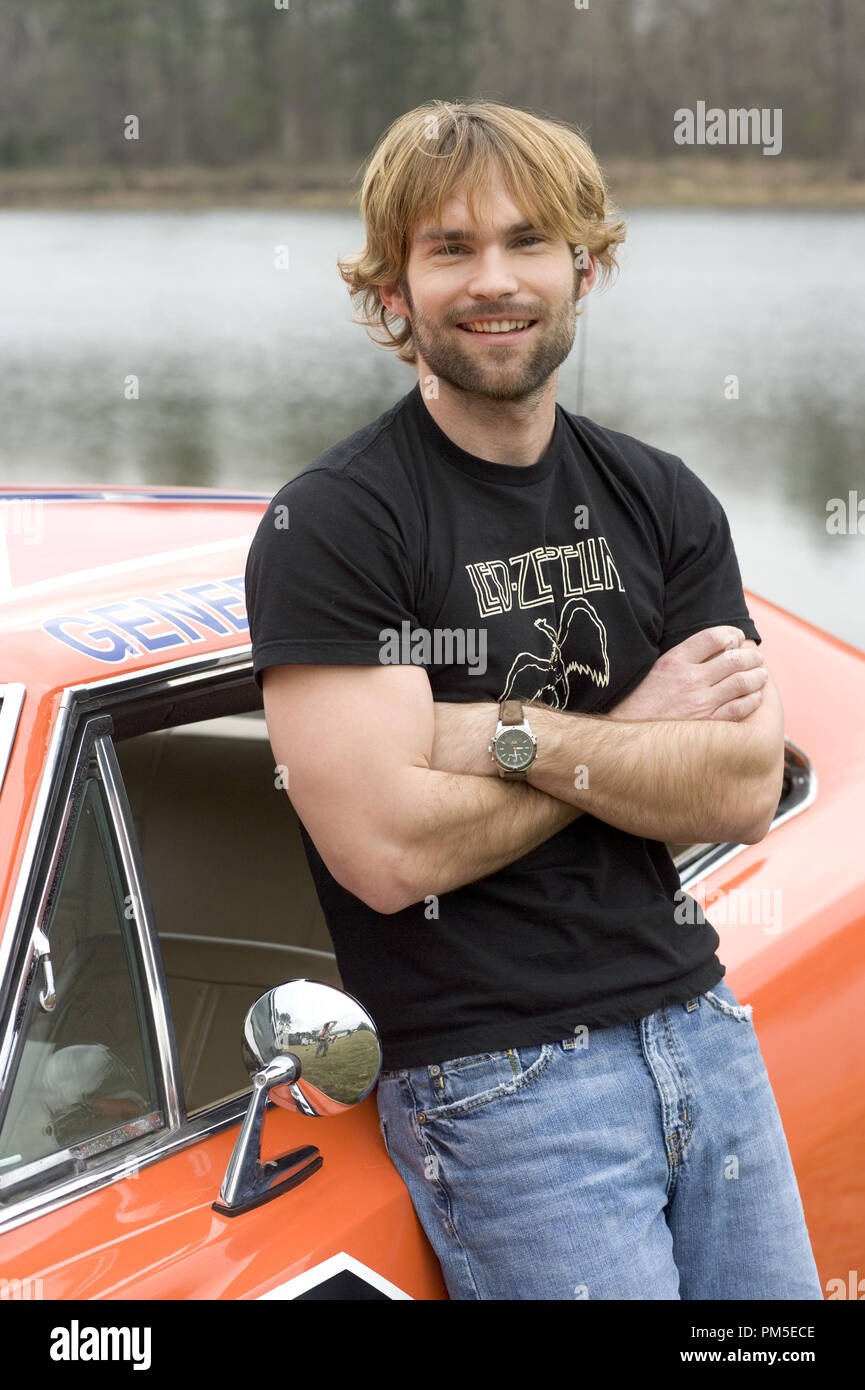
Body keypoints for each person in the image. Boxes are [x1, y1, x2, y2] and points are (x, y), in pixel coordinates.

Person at [244, 98, 823, 1300]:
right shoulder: (337, 524)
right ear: (391, 290)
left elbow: (739, 786)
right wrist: (629, 732)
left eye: (527, 243)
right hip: (500, 1087)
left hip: (701, 1026)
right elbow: (391, 853)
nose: (492, 280)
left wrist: (493, 733)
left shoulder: (661, 498)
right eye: (449, 249)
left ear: (584, 268)